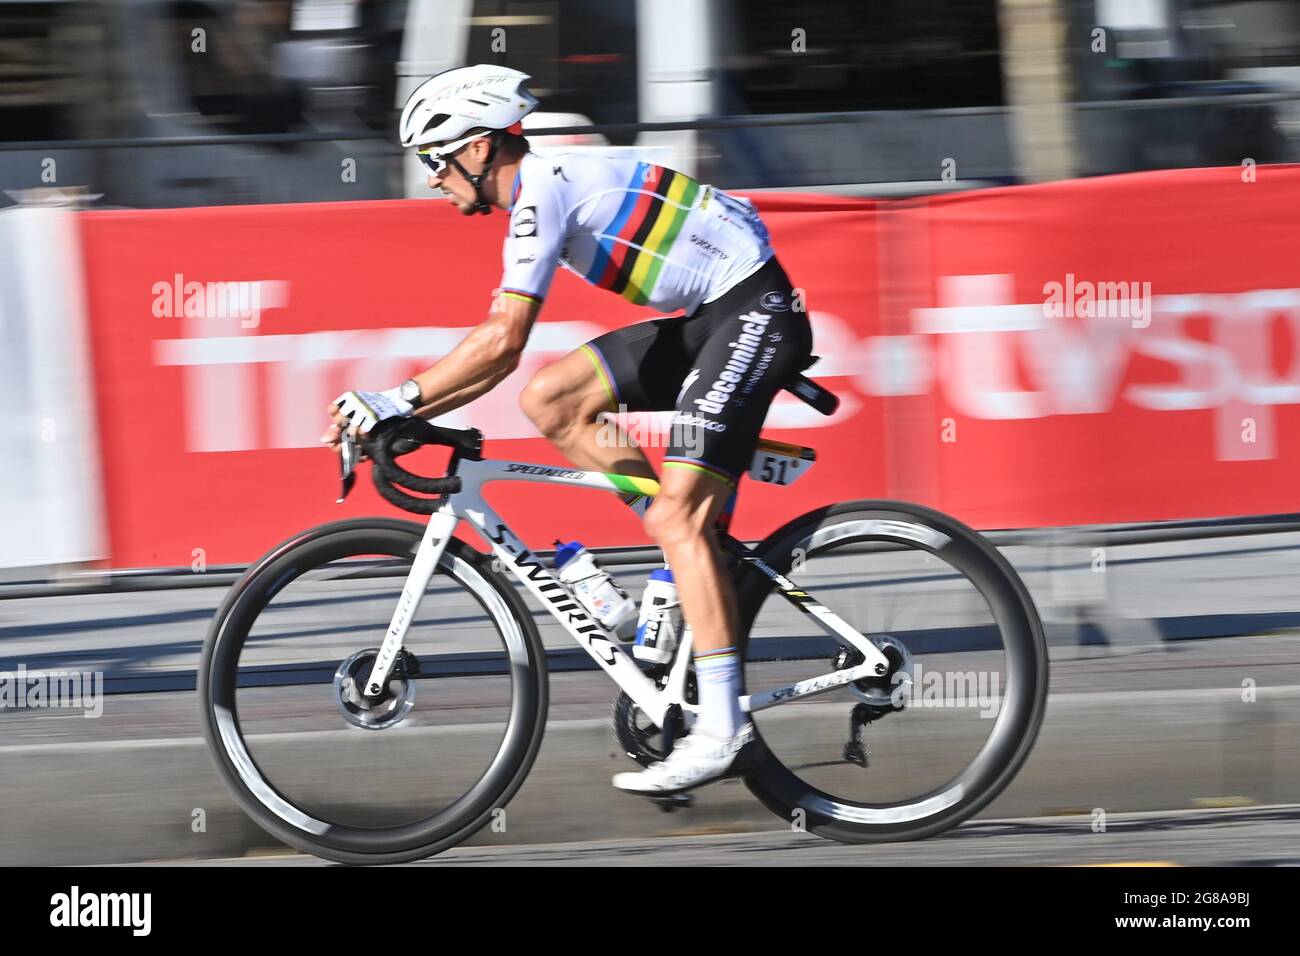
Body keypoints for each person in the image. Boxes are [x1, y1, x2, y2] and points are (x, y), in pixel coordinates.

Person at [324, 64, 813, 794]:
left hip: (751, 314)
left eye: (435, 158)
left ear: (481, 148)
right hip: (713, 318)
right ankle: (680, 567)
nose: (430, 178)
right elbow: (507, 366)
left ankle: (722, 729)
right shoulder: (541, 187)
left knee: (679, 515)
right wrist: (405, 412)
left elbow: (502, 338)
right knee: (550, 400)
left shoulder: (539, 192)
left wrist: (395, 397)